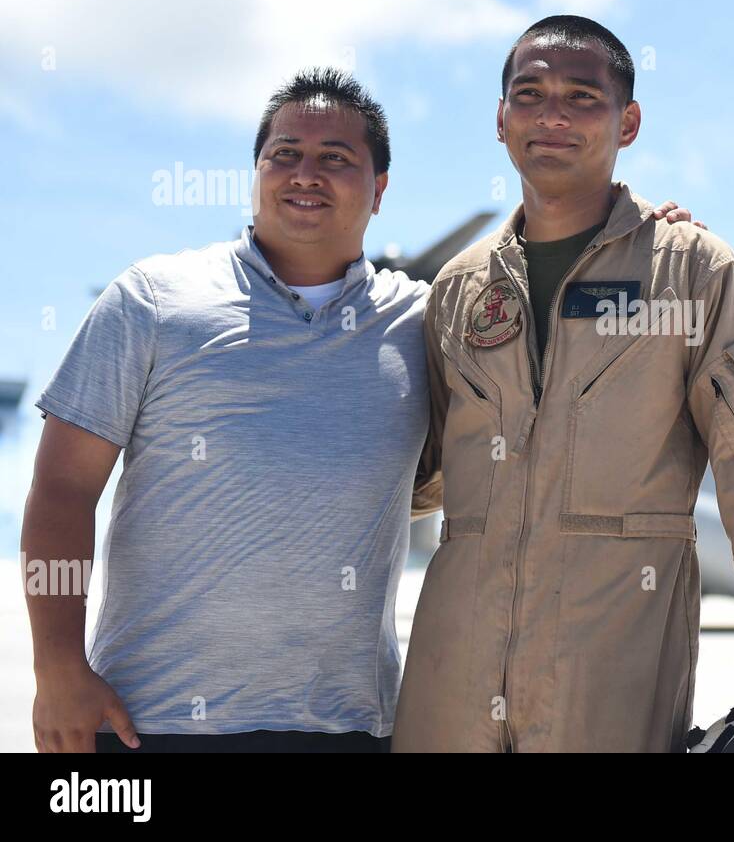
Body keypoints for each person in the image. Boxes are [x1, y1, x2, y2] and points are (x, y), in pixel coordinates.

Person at [22, 67, 696, 753]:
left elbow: (557, 303)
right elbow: (63, 488)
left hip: (348, 729)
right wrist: (57, 667)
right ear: (256, 172)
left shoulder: (428, 318)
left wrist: (639, 240)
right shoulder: (152, 301)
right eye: (283, 154)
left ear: (378, 191)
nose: (304, 173)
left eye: (335, 158)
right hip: (151, 723)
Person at [394, 16, 734, 753]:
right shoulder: (458, 291)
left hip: (610, 681)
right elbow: (420, 472)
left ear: (627, 122)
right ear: (501, 119)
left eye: (582, 97)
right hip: (451, 683)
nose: (553, 115)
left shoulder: (691, 273)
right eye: (529, 94)